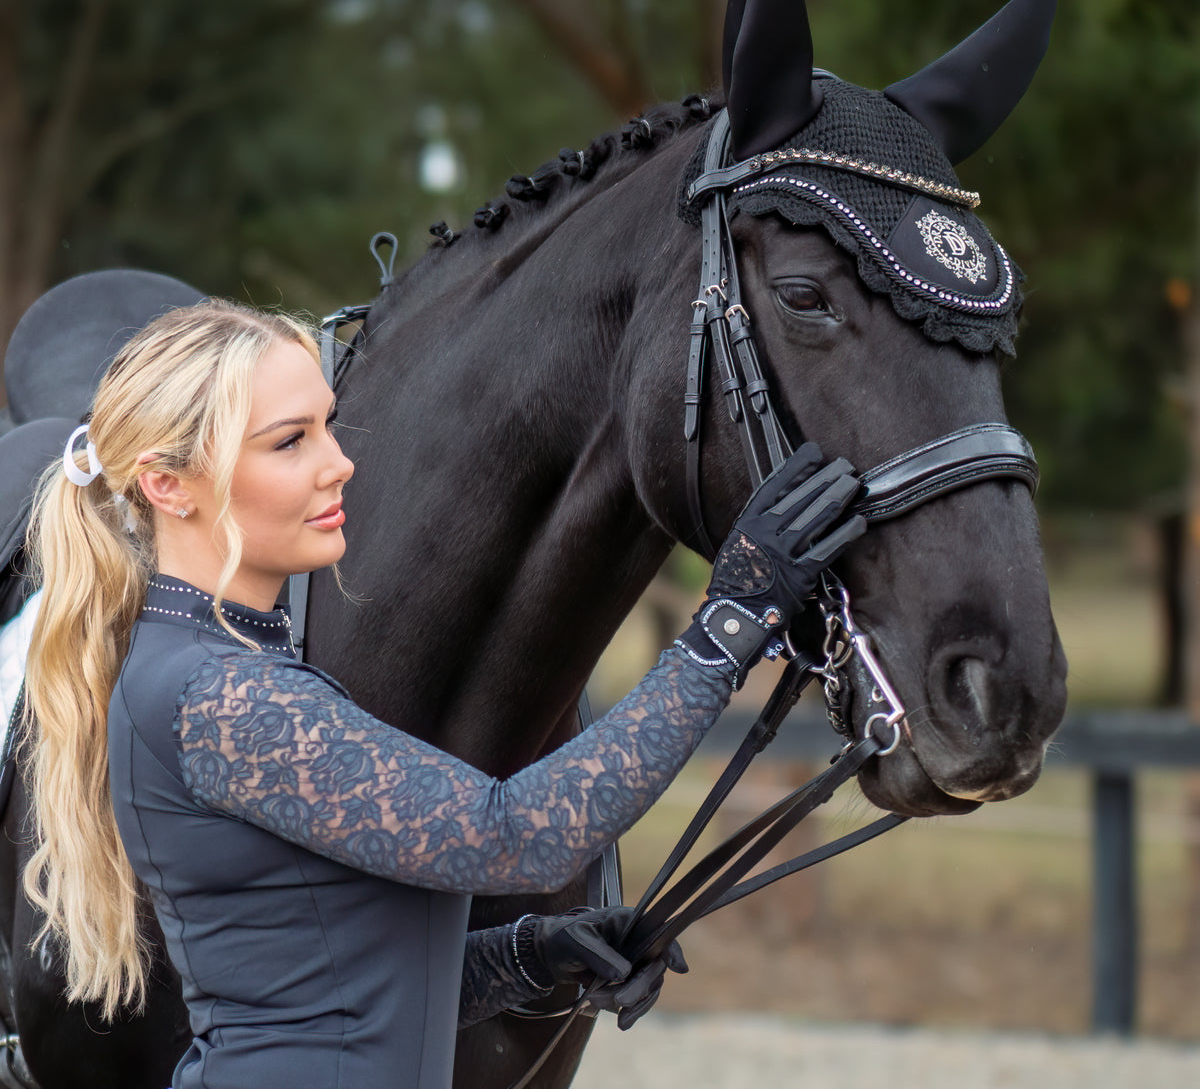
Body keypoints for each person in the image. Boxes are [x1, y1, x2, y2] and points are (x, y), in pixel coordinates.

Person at [21, 298, 864, 1089]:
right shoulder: (218, 694)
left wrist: (533, 954)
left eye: (327, 426)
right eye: (289, 442)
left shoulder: (229, 668)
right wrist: (728, 628)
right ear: (169, 485)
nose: (338, 464)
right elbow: (516, 837)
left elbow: (340, 991)